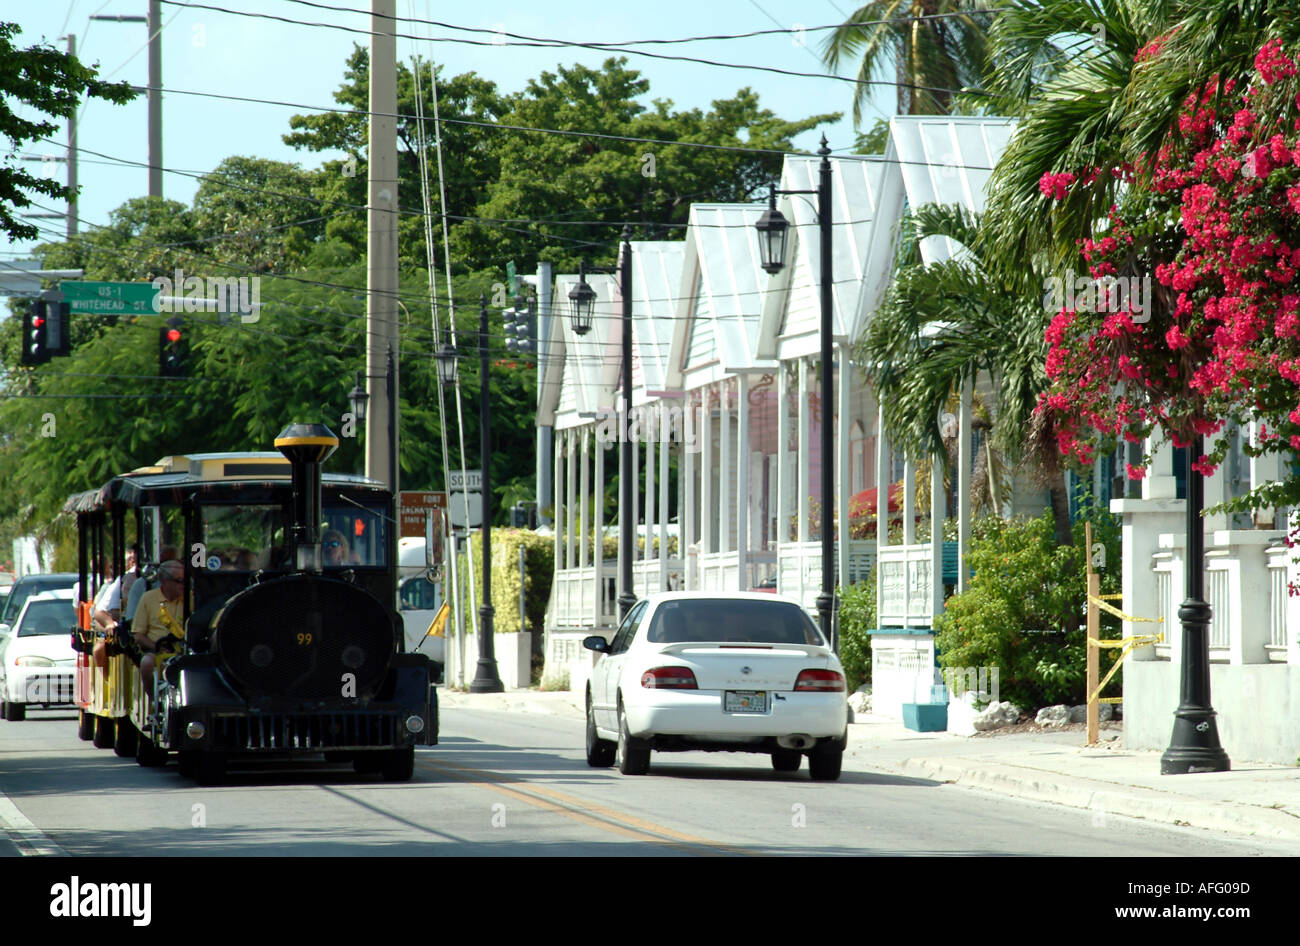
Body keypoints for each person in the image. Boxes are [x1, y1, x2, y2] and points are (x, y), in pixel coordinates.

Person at [132, 560, 185, 696]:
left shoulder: (191, 598)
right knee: (146, 663)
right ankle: (154, 701)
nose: (184, 585)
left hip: (185, 651)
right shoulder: (148, 598)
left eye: (185, 580)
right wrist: (156, 647)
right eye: (179, 581)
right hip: (157, 651)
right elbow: (138, 635)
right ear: (165, 581)